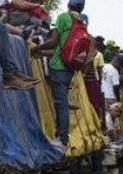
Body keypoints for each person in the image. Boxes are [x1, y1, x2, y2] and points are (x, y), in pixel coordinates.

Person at [35, 0, 86, 150]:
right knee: (62, 103)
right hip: (70, 68)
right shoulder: (81, 23)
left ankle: (62, 139)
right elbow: (61, 47)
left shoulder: (64, 17)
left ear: (69, 5)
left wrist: (36, 48)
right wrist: (43, 52)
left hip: (58, 66)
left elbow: (52, 42)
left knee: (61, 104)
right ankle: (61, 136)